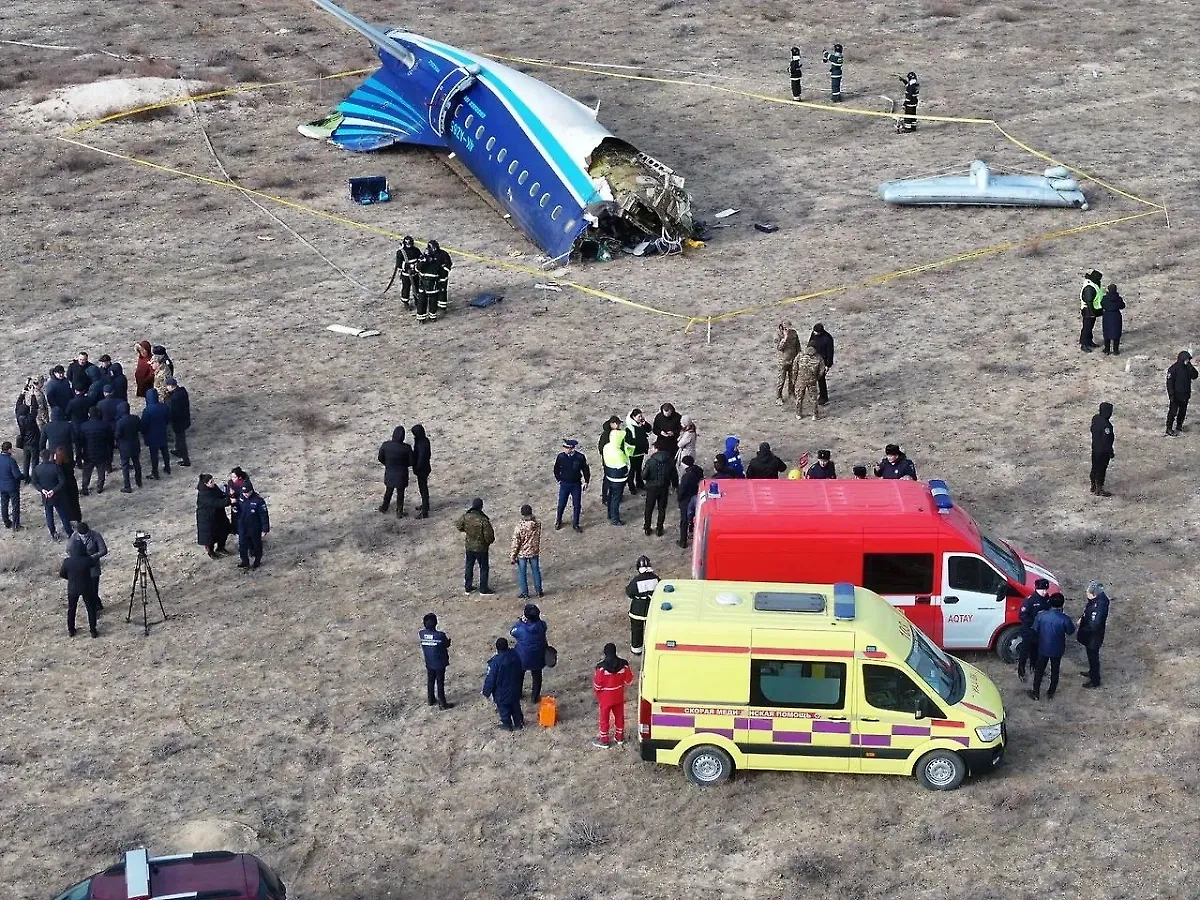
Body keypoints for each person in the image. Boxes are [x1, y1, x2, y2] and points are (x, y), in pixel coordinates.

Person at [1029, 592, 1074, 701]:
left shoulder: (1041, 615)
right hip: (1057, 649)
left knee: (1039, 671)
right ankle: (1051, 692)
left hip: (1043, 647)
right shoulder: (1065, 619)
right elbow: (1070, 631)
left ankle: (1036, 692)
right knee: (1055, 670)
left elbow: (1035, 628)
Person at [592, 643, 635, 748]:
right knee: (619, 717)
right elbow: (629, 680)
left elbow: (597, 685)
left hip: (606, 698)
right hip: (619, 695)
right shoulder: (624, 665)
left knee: (604, 718)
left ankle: (604, 740)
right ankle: (620, 737)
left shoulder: (601, 668)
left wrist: (598, 693)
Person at [482, 638, 524, 730]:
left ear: (497, 649)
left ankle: (507, 725)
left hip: (501, 692)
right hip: (515, 688)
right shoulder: (515, 655)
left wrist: (486, 692)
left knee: (504, 709)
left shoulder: (495, 662)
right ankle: (519, 723)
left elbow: (491, 679)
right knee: (516, 707)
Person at [510, 603, 549, 703]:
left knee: (519, 676)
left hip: (522, 657)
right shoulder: (542, 626)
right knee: (537, 677)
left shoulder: (521, 629)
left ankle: (518, 694)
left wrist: (520, 622)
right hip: (538, 656)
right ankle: (534, 697)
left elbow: (512, 632)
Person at [60, 538, 98, 637]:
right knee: (90, 608)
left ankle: (71, 630)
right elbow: (93, 564)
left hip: (73, 588)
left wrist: (71, 579)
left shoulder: (67, 561)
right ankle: (93, 630)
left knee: (72, 609)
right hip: (87, 587)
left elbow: (62, 574)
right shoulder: (86, 560)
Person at [456, 498, 495, 594]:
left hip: (469, 546)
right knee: (483, 567)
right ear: (481, 507)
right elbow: (489, 536)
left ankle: (468, 587)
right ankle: (483, 589)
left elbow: (459, 526)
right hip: (481, 548)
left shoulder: (466, 516)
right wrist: (487, 542)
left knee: (469, 566)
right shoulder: (483, 520)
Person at [67, 522, 108, 611]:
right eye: (82, 536)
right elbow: (68, 550)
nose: (84, 538)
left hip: (93, 566)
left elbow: (103, 550)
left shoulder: (96, 535)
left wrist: (91, 558)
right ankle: (96, 604)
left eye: (86, 535)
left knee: (93, 589)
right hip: (81, 568)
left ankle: (95, 608)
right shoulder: (74, 536)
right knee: (88, 590)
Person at [1016, 578, 1051, 682]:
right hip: (1029, 631)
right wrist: (1034, 623)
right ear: (1037, 589)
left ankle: (1034, 666)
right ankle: (1021, 670)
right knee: (1024, 651)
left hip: (1040, 632)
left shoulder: (1047, 598)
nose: (1044, 592)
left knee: (1036, 650)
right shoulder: (1030, 600)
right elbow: (1022, 615)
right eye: (1042, 590)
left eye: (1046, 590)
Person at [33, 451, 72, 540]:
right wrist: (53, 491)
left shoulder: (37, 469)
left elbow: (35, 482)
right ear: (50, 456)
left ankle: (53, 533)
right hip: (57, 495)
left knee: (49, 515)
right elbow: (62, 482)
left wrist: (43, 491)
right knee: (63, 515)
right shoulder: (56, 468)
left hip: (46, 496)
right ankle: (69, 532)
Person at [553, 438, 589, 532]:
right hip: (564, 484)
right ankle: (558, 521)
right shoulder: (561, 457)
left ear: (572, 448)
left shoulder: (580, 457)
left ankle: (576, 524)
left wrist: (586, 481)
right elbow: (556, 469)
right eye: (564, 447)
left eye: (567, 447)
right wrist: (559, 480)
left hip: (576, 484)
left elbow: (585, 469)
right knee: (561, 504)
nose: (564, 449)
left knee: (577, 505)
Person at [419, 613, 454, 709]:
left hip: (429, 662)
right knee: (440, 682)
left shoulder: (421, 634)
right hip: (439, 663)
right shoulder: (440, 635)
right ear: (436, 623)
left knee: (430, 681)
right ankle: (442, 703)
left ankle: (431, 699)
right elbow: (446, 644)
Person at [1078, 581, 1110, 689]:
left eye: (1087, 593)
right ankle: (1092, 672)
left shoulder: (1098, 606)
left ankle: (1095, 680)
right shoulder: (1100, 599)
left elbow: (1094, 625)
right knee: (1091, 656)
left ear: (1093, 594)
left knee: (1093, 657)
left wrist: (1083, 628)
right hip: (1093, 636)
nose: (1086, 594)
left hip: (1093, 637)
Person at [626, 556, 660, 655]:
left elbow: (629, 592)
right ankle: (651, 648)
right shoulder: (655, 578)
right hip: (651, 609)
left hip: (637, 609)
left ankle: (637, 649)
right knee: (651, 630)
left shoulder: (636, 580)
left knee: (636, 630)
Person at [377, 426, 412, 516]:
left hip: (390, 472)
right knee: (400, 494)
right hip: (402, 474)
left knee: (388, 491)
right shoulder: (407, 448)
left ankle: (384, 507)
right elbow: (411, 462)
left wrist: (387, 464)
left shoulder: (386, 445)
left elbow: (380, 458)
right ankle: (399, 511)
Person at [510, 504, 543, 599]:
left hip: (522, 553)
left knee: (522, 573)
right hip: (534, 551)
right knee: (536, 571)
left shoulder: (519, 527)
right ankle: (539, 591)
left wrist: (513, 556)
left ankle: (525, 593)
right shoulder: (537, 524)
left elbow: (516, 543)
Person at [641, 439, 673, 537]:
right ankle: (659, 529)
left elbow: (644, 476)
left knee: (649, 508)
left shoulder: (651, 461)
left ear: (656, 449)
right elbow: (674, 474)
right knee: (662, 508)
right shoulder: (670, 460)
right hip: (664, 487)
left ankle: (647, 527)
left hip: (652, 487)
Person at [196, 473, 232, 558]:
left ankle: (220, 548)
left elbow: (220, 495)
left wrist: (227, 495)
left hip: (218, 515)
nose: (213, 483)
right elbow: (216, 503)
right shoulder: (204, 494)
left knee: (224, 531)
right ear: (205, 484)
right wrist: (229, 500)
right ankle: (211, 552)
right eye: (211, 482)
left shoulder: (213, 487)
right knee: (210, 538)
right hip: (208, 519)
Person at [236, 482, 270, 570]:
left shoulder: (258, 500)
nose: (245, 494)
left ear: (251, 491)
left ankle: (257, 560)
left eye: (247, 492)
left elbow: (264, 515)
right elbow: (237, 509)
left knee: (256, 545)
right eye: (244, 493)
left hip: (254, 527)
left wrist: (265, 529)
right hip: (243, 527)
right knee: (242, 546)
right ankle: (245, 562)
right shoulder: (240, 497)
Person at [79, 408, 112, 496]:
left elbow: (81, 441)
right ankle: (99, 487)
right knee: (101, 471)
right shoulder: (105, 425)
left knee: (87, 472)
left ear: (89, 414)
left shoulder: (84, 426)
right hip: (102, 452)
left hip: (88, 453)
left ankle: (84, 487)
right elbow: (110, 439)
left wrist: (81, 452)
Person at [601, 425, 629, 526]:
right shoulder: (619, 452)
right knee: (616, 498)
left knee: (611, 496)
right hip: (618, 479)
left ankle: (610, 514)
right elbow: (624, 466)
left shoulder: (606, 447)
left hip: (609, 475)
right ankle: (615, 519)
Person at [140, 388, 170, 479]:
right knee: (165, 451)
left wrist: (143, 432)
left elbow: (144, 424)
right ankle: (167, 467)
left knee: (154, 455)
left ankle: (155, 472)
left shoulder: (147, 410)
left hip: (152, 435)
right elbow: (168, 418)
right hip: (162, 432)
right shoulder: (163, 406)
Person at [792, 342, 826, 420]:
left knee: (799, 397)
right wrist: (816, 378)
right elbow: (822, 370)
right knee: (814, 399)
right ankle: (815, 415)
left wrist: (794, 379)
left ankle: (798, 413)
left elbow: (795, 368)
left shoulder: (800, 355)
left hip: (801, 380)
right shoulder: (818, 357)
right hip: (812, 381)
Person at [1166, 350, 1197, 436]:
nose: (1187, 361)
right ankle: (1169, 428)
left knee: (1182, 412)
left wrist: (1190, 367)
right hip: (1176, 395)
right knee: (1172, 413)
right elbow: (1169, 383)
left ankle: (1179, 426)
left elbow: (1195, 376)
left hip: (1185, 395)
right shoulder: (1173, 369)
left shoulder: (1188, 368)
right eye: (1186, 360)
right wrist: (1171, 395)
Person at [114, 402, 143, 493]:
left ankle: (127, 486)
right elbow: (140, 428)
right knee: (137, 463)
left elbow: (117, 435)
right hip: (135, 444)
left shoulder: (120, 422)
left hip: (124, 446)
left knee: (125, 466)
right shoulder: (135, 418)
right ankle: (139, 481)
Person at [677, 456, 704, 547]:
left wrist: (679, 498)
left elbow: (682, 490)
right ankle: (692, 531)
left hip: (686, 499)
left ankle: (683, 542)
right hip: (696, 496)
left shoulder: (686, 476)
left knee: (684, 520)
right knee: (695, 516)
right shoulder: (699, 470)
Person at [1089, 402, 1115, 496]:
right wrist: (1110, 451)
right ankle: (1099, 489)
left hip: (1095, 448)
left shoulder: (1095, 419)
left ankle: (1093, 485)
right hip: (1103, 451)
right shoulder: (1107, 425)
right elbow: (1106, 440)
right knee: (1101, 469)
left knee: (1094, 466)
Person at [164, 378, 191, 467]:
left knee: (181, 441)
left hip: (179, 422)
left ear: (171, 386)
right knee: (179, 439)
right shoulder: (182, 391)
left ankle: (186, 460)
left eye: (167, 386)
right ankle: (178, 451)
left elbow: (174, 413)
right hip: (185, 419)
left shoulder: (175, 398)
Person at [624, 409, 651, 495]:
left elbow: (649, 429)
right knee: (632, 470)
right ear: (633, 417)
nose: (640, 418)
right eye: (639, 416)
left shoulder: (640, 425)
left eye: (641, 416)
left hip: (641, 451)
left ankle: (639, 483)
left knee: (639, 469)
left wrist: (644, 423)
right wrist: (640, 442)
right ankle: (631, 486)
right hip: (633, 452)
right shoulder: (629, 428)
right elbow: (629, 441)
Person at [597, 415, 622, 507]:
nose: (619, 425)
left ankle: (614, 495)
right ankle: (605, 498)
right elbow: (601, 448)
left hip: (616, 460)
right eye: (617, 424)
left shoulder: (616, 433)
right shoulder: (606, 434)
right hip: (608, 461)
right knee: (607, 479)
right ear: (612, 424)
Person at [775, 321, 801, 403]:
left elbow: (798, 346)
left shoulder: (794, 333)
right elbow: (779, 348)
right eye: (786, 328)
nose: (788, 330)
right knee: (781, 380)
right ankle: (779, 396)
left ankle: (791, 393)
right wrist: (784, 339)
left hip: (793, 360)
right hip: (783, 361)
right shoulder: (778, 335)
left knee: (792, 379)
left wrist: (799, 356)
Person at [410, 424, 432, 518]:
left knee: (423, 489)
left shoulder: (421, 443)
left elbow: (421, 458)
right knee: (423, 489)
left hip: (422, 470)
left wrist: (416, 468)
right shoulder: (424, 440)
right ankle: (425, 506)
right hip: (425, 468)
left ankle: (424, 511)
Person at [54, 446, 81, 524]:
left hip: (63, 487)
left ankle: (68, 519)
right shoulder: (69, 463)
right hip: (72, 484)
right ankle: (78, 518)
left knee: (66, 504)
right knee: (75, 503)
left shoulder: (57, 467)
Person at [810, 324, 835, 405]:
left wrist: (828, 365)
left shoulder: (828, 338)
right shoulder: (814, 334)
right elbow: (810, 344)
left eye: (816, 332)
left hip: (822, 361)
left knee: (821, 379)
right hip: (813, 358)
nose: (814, 333)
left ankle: (823, 397)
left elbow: (830, 352)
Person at [394, 235, 422, 309]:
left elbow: (420, 258)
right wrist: (406, 266)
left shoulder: (416, 250)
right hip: (406, 275)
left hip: (415, 273)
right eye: (407, 244)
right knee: (406, 288)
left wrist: (416, 266)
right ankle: (405, 302)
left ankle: (417, 300)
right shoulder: (400, 252)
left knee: (417, 287)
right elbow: (399, 264)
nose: (409, 246)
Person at [1079, 269, 1103, 352]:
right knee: (1087, 327)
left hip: (1092, 310)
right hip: (1088, 310)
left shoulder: (1092, 284)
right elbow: (1089, 301)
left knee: (1090, 327)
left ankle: (1089, 341)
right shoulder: (1089, 288)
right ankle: (1084, 344)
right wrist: (1092, 312)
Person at [0, 442, 22, 530]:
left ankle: (6, 522)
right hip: (12, 486)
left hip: (2, 486)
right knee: (15, 506)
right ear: (9, 449)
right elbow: (17, 475)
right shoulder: (11, 461)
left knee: (4, 504)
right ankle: (16, 525)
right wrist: (24, 476)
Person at [428, 239, 453, 314]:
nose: (434, 249)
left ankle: (442, 306)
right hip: (432, 278)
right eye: (432, 248)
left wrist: (442, 271)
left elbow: (448, 264)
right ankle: (433, 305)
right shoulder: (427, 255)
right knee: (433, 292)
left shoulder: (443, 254)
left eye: (435, 247)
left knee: (442, 291)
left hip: (442, 277)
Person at [414, 250, 439, 322]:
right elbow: (417, 269)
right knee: (421, 302)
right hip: (423, 286)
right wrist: (423, 262)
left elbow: (439, 272)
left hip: (433, 286)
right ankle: (421, 318)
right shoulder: (422, 262)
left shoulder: (436, 262)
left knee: (433, 302)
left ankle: (432, 316)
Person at [1100, 284, 1125, 355]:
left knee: (1106, 332)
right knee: (1116, 333)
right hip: (1116, 316)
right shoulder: (1118, 298)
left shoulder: (1105, 298)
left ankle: (1107, 349)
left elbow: (1102, 304)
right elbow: (1122, 306)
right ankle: (1115, 350)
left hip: (1107, 316)